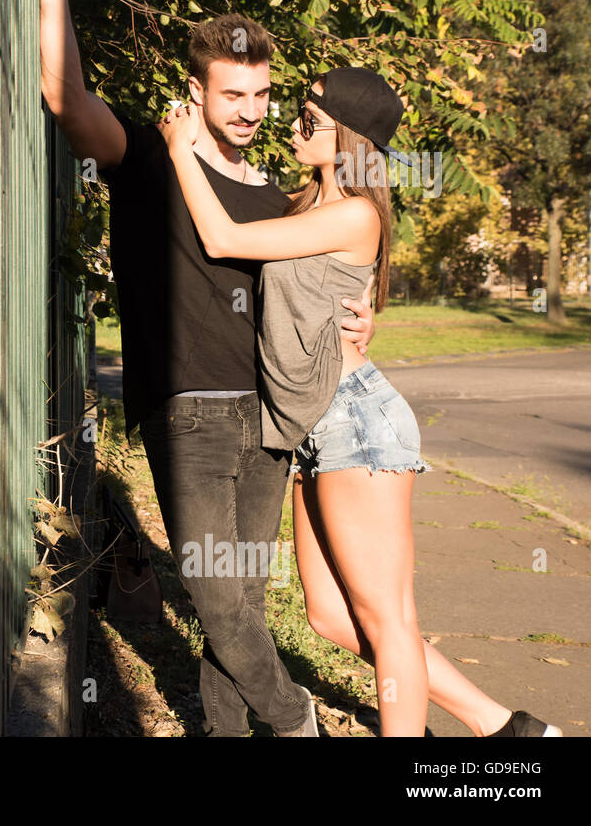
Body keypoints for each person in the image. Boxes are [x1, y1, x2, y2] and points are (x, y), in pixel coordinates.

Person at [37, 0, 374, 736]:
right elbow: (65, 97)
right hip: (187, 410)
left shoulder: (279, 196)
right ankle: (297, 720)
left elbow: (329, 272)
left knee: (244, 603)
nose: (251, 110)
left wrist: (355, 321)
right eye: (234, 94)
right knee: (215, 594)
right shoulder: (151, 158)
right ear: (197, 90)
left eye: (262, 94)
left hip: (267, 414)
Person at [156, 68, 563, 738]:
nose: (292, 126)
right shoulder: (301, 203)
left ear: (348, 139)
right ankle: (502, 727)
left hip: (355, 422)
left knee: (388, 617)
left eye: (309, 120)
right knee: (330, 617)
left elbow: (223, 238)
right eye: (296, 112)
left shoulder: (354, 213)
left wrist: (178, 148)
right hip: (313, 430)